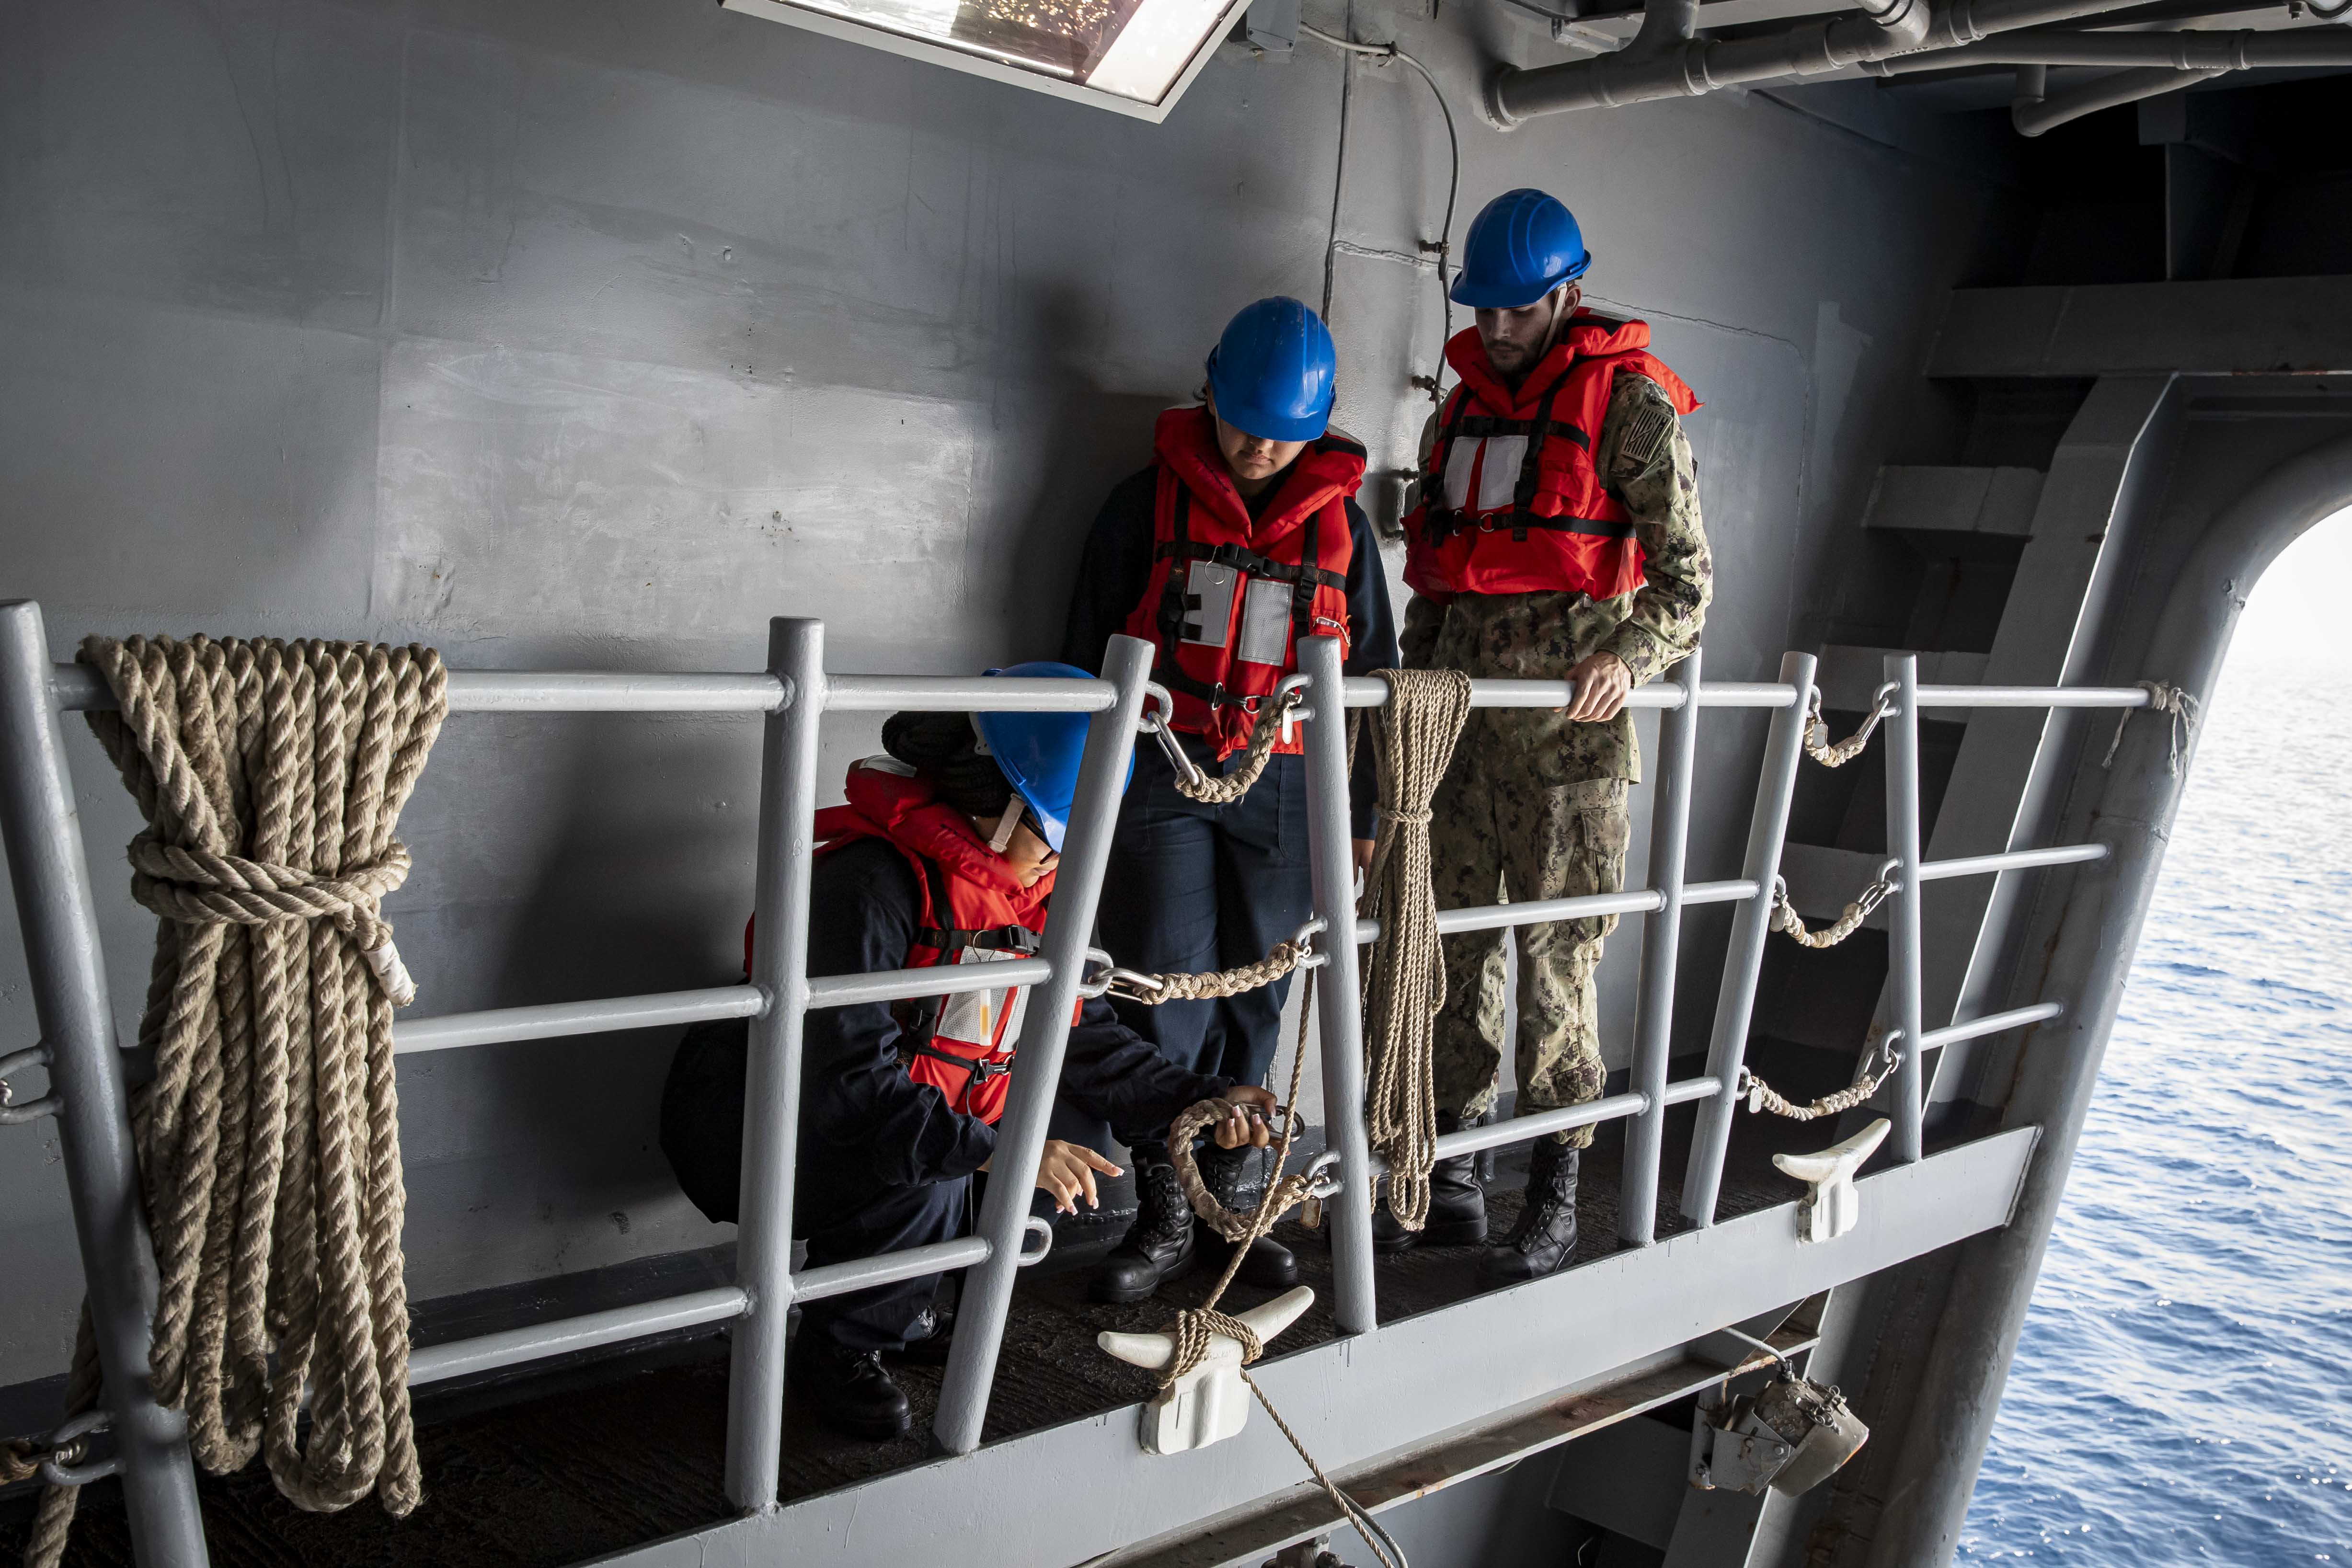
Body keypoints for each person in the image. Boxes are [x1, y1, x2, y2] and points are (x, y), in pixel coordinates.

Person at [659, 667, 1277, 1442]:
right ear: (996, 802)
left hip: (890, 1128)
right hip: (764, 1127)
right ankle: (837, 1347)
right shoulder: (870, 886)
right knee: (949, 1158)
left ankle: (905, 1312)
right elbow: (844, 1084)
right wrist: (997, 1152)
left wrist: (1199, 1099)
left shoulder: (1022, 907)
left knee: (1015, 1163)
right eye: (1050, 836)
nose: (1059, 861)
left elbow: (1084, 1040)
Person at [1394, 189, 1712, 1281]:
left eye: (1517, 312)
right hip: (1463, 740)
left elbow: (1686, 581)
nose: (1495, 329)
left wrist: (1628, 658)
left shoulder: (1627, 406)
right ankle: (1457, 1179)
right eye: (1482, 310)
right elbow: (1434, 584)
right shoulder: (1460, 412)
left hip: (1571, 752)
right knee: (1456, 957)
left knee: (1556, 967)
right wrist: (1409, 717)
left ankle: (1558, 1186)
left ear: (1564, 293)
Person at [1063, 297, 1399, 1305]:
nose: (1256, 445)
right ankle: (1164, 1214)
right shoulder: (1141, 506)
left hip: (1291, 782)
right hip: (1165, 774)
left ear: (1318, 424)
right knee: (1164, 991)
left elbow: (1377, 677)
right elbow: (1085, 644)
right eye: (1242, 418)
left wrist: (1371, 815)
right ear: (1209, 392)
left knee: (1259, 992)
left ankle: (1232, 1212)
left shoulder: (1346, 532)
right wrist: (1078, 788)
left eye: (1281, 430)